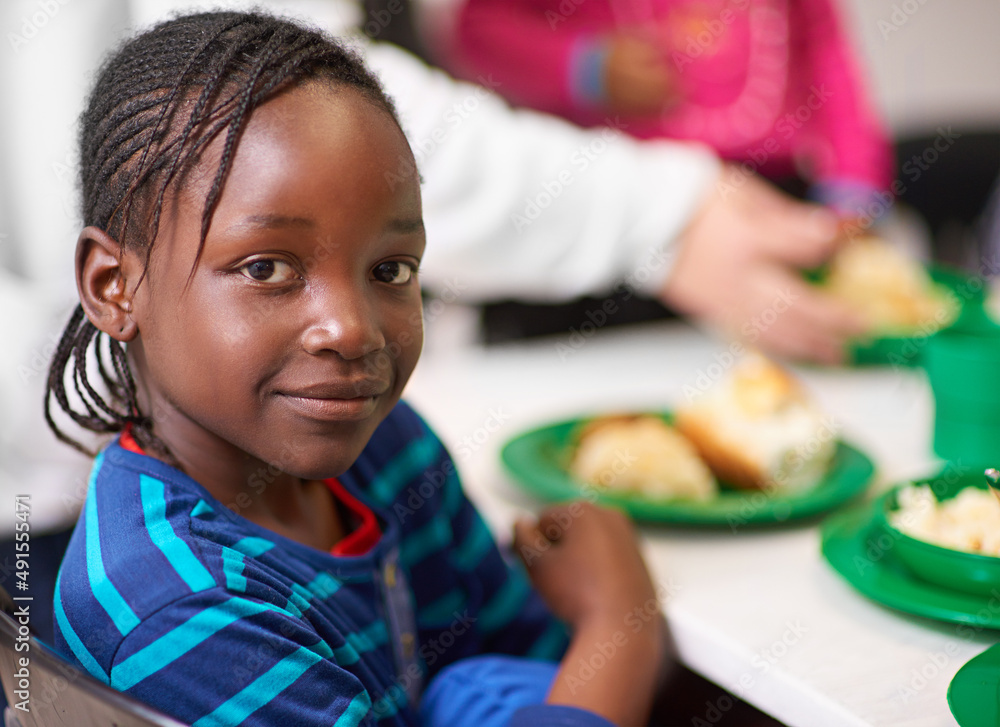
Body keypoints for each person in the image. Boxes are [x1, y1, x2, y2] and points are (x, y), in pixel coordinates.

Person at [46, 11, 670, 726]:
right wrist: (623, 621)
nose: (351, 328)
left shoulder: (385, 447)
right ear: (112, 286)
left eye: (389, 268)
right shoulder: (170, 603)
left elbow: (522, 652)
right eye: (267, 267)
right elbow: (584, 669)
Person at [446, 0, 894, 220]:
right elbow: (479, 30)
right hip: (624, 199)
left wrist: (854, 181)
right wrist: (584, 66)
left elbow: (826, 57)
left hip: (772, 191)